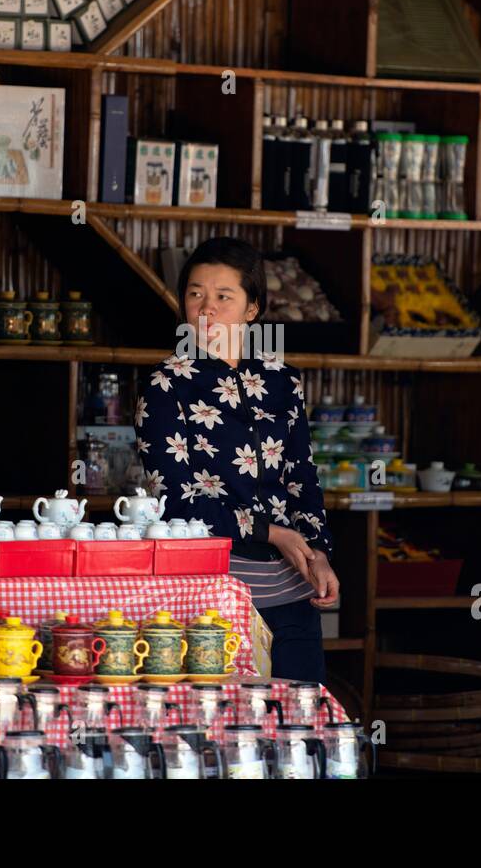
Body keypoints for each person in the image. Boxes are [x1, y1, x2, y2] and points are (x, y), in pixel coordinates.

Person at [135, 236, 339, 683]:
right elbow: (174, 501)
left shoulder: (282, 381)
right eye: (195, 294)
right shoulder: (166, 387)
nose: (205, 309)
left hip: (293, 597)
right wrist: (274, 533)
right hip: (212, 596)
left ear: (252, 309)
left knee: (300, 728)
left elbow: (302, 475)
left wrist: (318, 552)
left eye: (223, 297)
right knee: (226, 735)